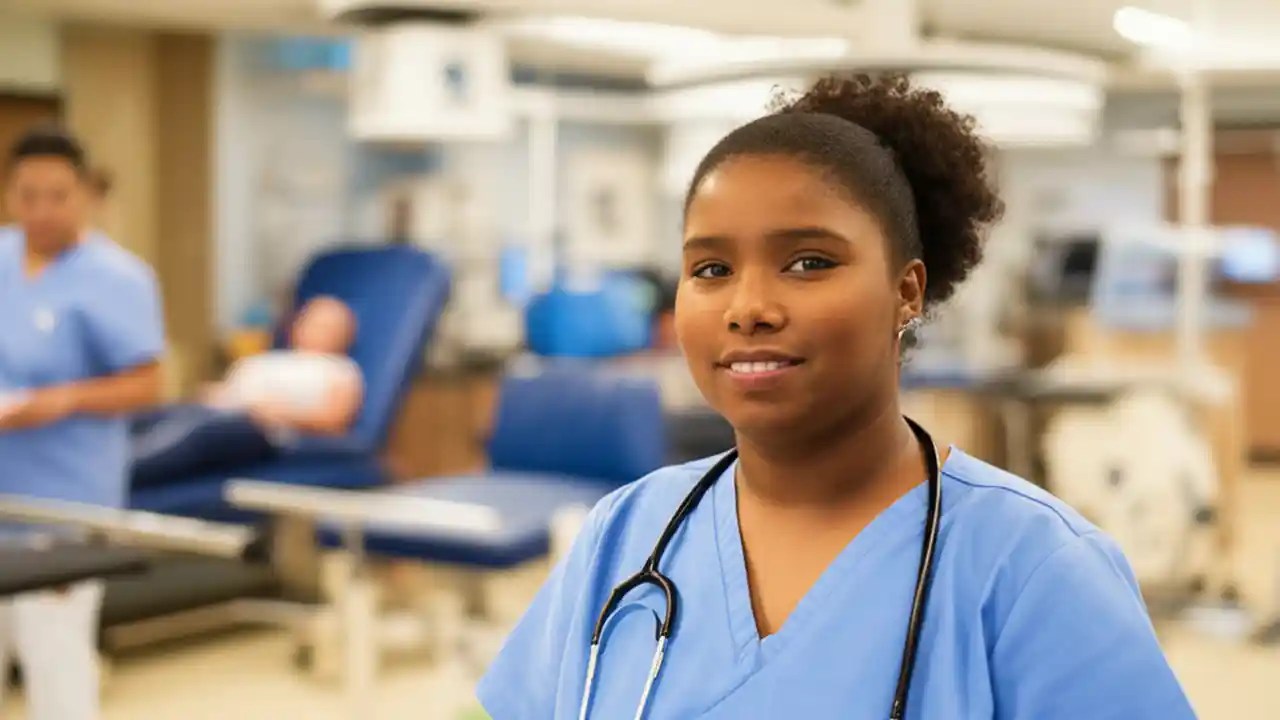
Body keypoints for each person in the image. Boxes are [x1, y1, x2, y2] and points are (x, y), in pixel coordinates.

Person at [477, 76, 1195, 719]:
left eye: (808, 262)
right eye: (712, 268)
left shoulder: (1033, 570)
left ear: (906, 291)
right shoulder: (625, 534)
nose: (748, 308)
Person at [0, 125, 165, 719]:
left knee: (56, 669)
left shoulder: (117, 278)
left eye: (58, 196)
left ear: (87, 194)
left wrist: (61, 400)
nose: (42, 211)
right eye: (28, 195)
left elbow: (149, 384)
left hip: (66, 506)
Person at [129, 296, 363, 486]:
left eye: (327, 326)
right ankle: (116, 457)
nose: (315, 328)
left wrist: (273, 412)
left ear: (344, 335)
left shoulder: (340, 370)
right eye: (310, 320)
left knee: (199, 432)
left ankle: (129, 471)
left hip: (261, 427)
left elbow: (334, 421)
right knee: (161, 415)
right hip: (219, 410)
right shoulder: (266, 360)